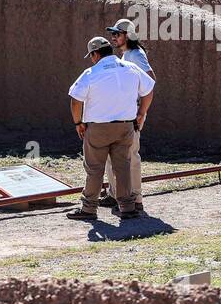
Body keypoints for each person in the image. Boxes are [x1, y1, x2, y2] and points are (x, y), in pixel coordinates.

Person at [66, 36, 155, 221]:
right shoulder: (130, 68)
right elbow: (149, 89)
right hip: (126, 127)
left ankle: (89, 209)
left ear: (95, 54)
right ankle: (128, 207)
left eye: (91, 55)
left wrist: (78, 123)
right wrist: (141, 113)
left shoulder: (91, 73)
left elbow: (75, 99)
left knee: (94, 169)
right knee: (122, 167)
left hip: (98, 129)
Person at [98, 17, 155, 212]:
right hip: (125, 112)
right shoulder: (126, 54)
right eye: (112, 34)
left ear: (127, 36)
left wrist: (141, 111)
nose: (113, 37)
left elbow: (150, 80)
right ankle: (116, 194)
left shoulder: (134, 54)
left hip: (131, 113)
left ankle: (135, 198)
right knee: (117, 156)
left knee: (130, 156)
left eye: (117, 34)